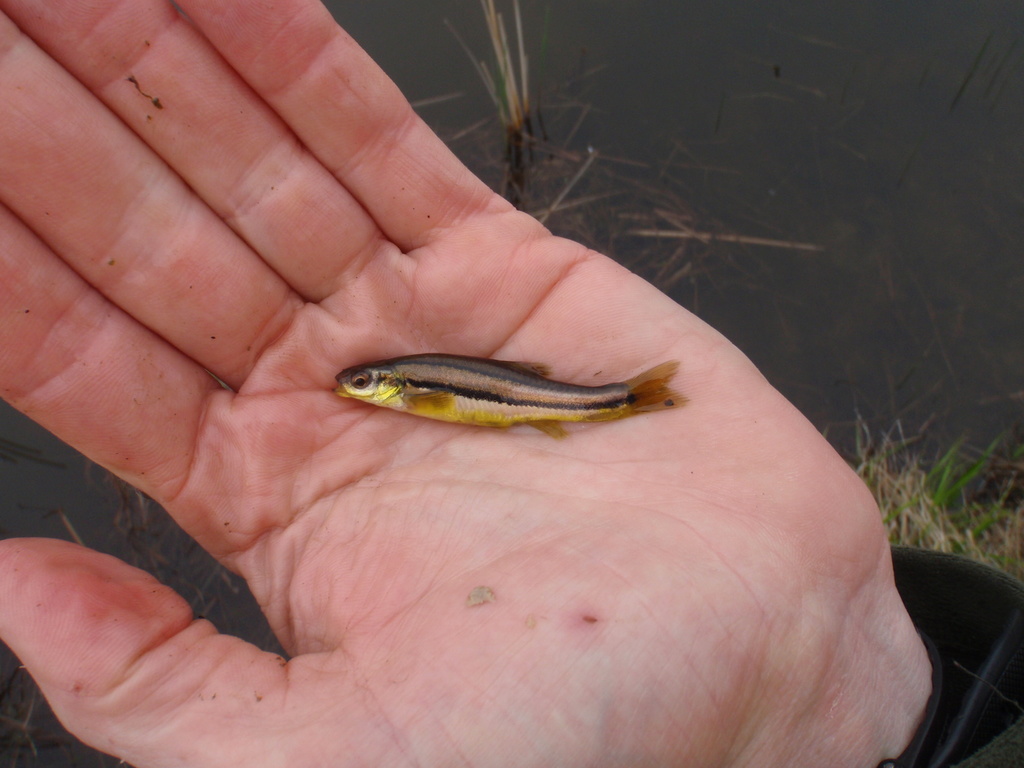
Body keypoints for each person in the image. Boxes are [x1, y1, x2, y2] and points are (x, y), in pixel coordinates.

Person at [0, 1, 1019, 765]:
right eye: (375, 390)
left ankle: (628, 401)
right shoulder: (407, 387)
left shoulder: (414, 388)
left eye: (372, 386)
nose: (368, 394)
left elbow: (451, 394)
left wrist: (842, 679)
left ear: (398, 391)